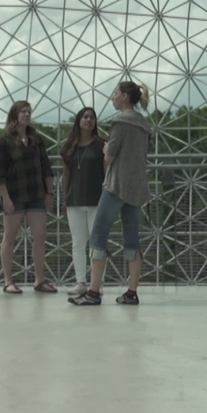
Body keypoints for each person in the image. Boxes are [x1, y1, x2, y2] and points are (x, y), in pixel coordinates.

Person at [68, 81, 151, 306]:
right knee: (132, 240)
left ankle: (93, 292)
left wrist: (106, 150)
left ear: (124, 97)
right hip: (137, 187)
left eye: (115, 93)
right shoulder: (144, 124)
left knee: (98, 236)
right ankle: (132, 292)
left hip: (116, 186)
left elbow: (109, 157)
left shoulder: (120, 122)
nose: (112, 97)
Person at [0, 100, 56, 294]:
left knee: (41, 235)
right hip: (14, 195)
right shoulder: (4, 141)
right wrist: (5, 198)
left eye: (29, 112)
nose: (27, 115)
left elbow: (46, 167)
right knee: (10, 237)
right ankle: (8, 281)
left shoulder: (36, 140)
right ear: (15, 115)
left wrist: (50, 192)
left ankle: (39, 279)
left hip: (36, 193)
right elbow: (0, 173)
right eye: (23, 111)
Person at [59, 107, 105, 296]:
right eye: (85, 117)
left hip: (97, 199)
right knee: (78, 243)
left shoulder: (101, 145)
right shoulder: (70, 147)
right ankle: (81, 281)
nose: (88, 120)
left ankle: (97, 283)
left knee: (97, 243)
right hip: (75, 199)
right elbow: (66, 173)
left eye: (92, 117)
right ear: (79, 120)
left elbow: (106, 171)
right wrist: (64, 198)